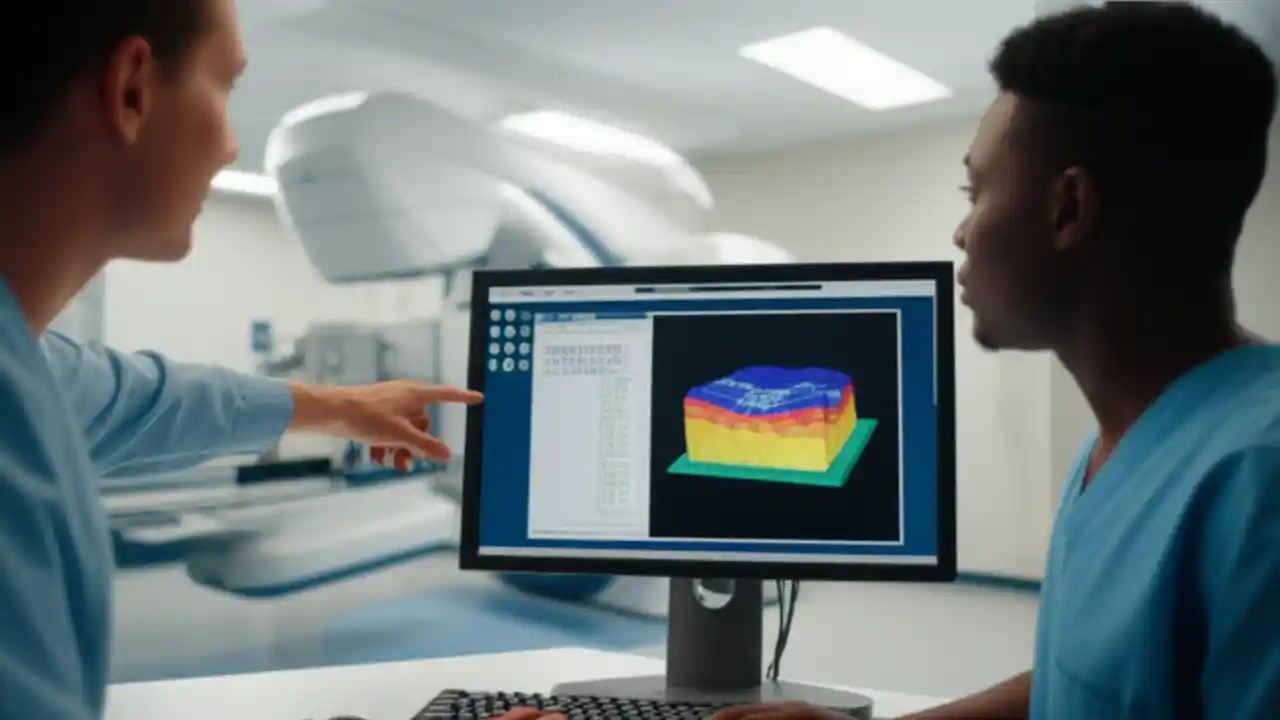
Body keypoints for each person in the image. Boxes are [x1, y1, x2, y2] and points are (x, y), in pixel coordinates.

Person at [497, 2, 1280, 720]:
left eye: (976, 193)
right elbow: (1092, 683)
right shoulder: (1128, 442)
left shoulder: (1258, 482)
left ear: (1067, 209)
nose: (962, 234)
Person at [0, 2, 481, 718]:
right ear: (132, 88)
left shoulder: (27, 371)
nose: (230, 145)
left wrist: (344, 407)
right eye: (226, 87)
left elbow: (147, 399)